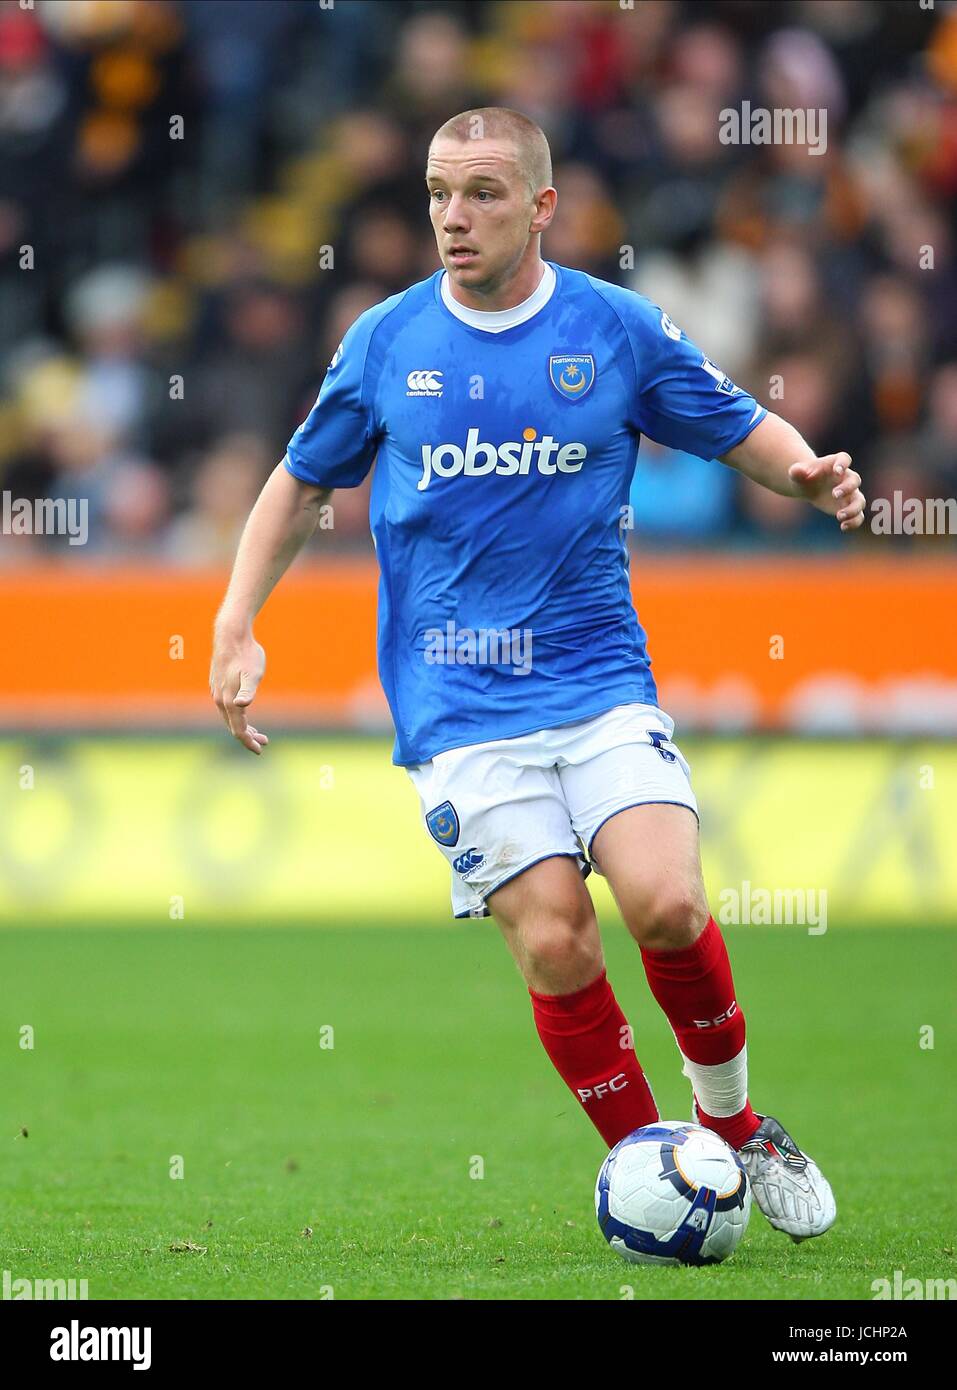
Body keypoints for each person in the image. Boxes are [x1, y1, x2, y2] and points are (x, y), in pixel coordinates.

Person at [211, 108, 865, 1244]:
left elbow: (736, 425)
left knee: (666, 903)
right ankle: (659, 1169)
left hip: (599, 677)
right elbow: (297, 481)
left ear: (543, 207)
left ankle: (738, 1124)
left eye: (482, 195)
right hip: (459, 706)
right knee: (558, 936)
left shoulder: (615, 330)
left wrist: (803, 475)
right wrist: (234, 619)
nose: (453, 219)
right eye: (436, 194)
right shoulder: (385, 341)